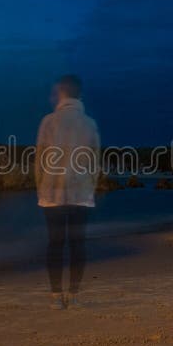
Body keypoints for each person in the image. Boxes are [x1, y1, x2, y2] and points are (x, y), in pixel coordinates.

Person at [35, 75, 100, 309]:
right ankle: (73, 295)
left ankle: (55, 298)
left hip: (52, 192)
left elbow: (40, 159)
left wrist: (41, 187)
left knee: (55, 243)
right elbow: (95, 161)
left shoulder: (49, 122)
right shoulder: (89, 124)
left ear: (62, 92)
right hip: (80, 193)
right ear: (79, 94)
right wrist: (90, 187)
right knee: (77, 243)